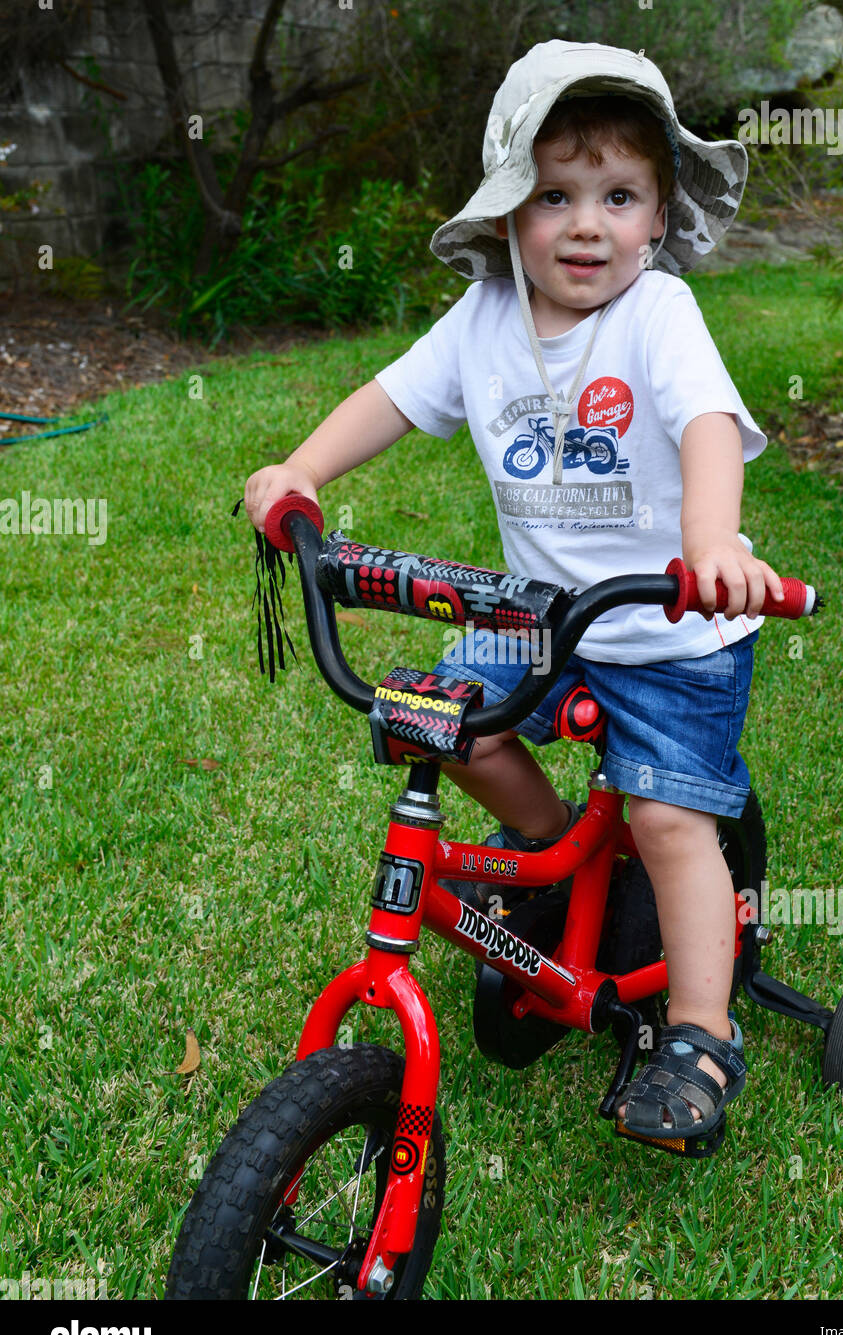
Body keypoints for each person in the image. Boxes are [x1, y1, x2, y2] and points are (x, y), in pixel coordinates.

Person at [243, 39, 784, 1149]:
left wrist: (709, 537)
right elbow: (390, 396)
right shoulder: (484, 319)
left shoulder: (658, 316)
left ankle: (696, 1031)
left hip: (673, 628)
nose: (588, 225)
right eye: (554, 197)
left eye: (618, 196)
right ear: (505, 218)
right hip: (540, 619)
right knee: (440, 718)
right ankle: (551, 855)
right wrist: (303, 469)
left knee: (670, 817)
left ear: (656, 214)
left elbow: (706, 427)